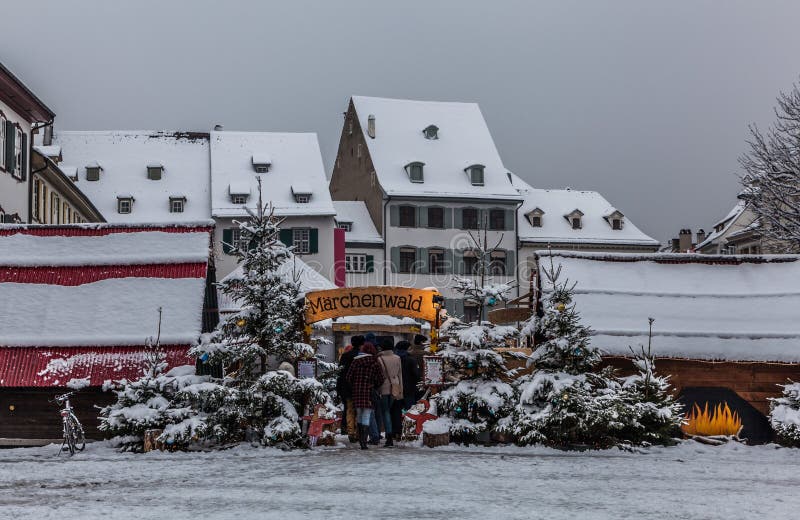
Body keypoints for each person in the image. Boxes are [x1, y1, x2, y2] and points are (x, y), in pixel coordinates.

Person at [345, 342, 384, 450]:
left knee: (359, 415)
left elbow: (348, 377)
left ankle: (361, 440)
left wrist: (355, 383)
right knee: (366, 415)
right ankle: (364, 443)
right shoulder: (375, 362)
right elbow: (381, 378)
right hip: (369, 391)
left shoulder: (355, 361)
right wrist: (373, 384)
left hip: (357, 391)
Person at [376, 337, 403, 447]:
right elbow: (400, 374)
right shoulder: (397, 358)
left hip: (383, 387)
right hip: (395, 386)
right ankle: (391, 433)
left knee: (385, 411)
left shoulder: (379, 358)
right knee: (390, 410)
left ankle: (389, 436)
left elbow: (378, 375)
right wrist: (401, 390)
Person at [336, 335, 364, 441]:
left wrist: (339, 388)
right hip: (361, 387)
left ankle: (351, 432)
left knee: (349, 410)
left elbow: (340, 372)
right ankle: (358, 433)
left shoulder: (345, 356)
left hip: (347, 387)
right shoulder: (363, 356)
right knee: (360, 410)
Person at [395, 340, 420, 410]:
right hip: (409, 389)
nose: (411, 350)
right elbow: (416, 374)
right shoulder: (411, 360)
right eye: (410, 348)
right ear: (406, 349)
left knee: (397, 410)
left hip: (396, 388)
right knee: (410, 410)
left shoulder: (395, 358)